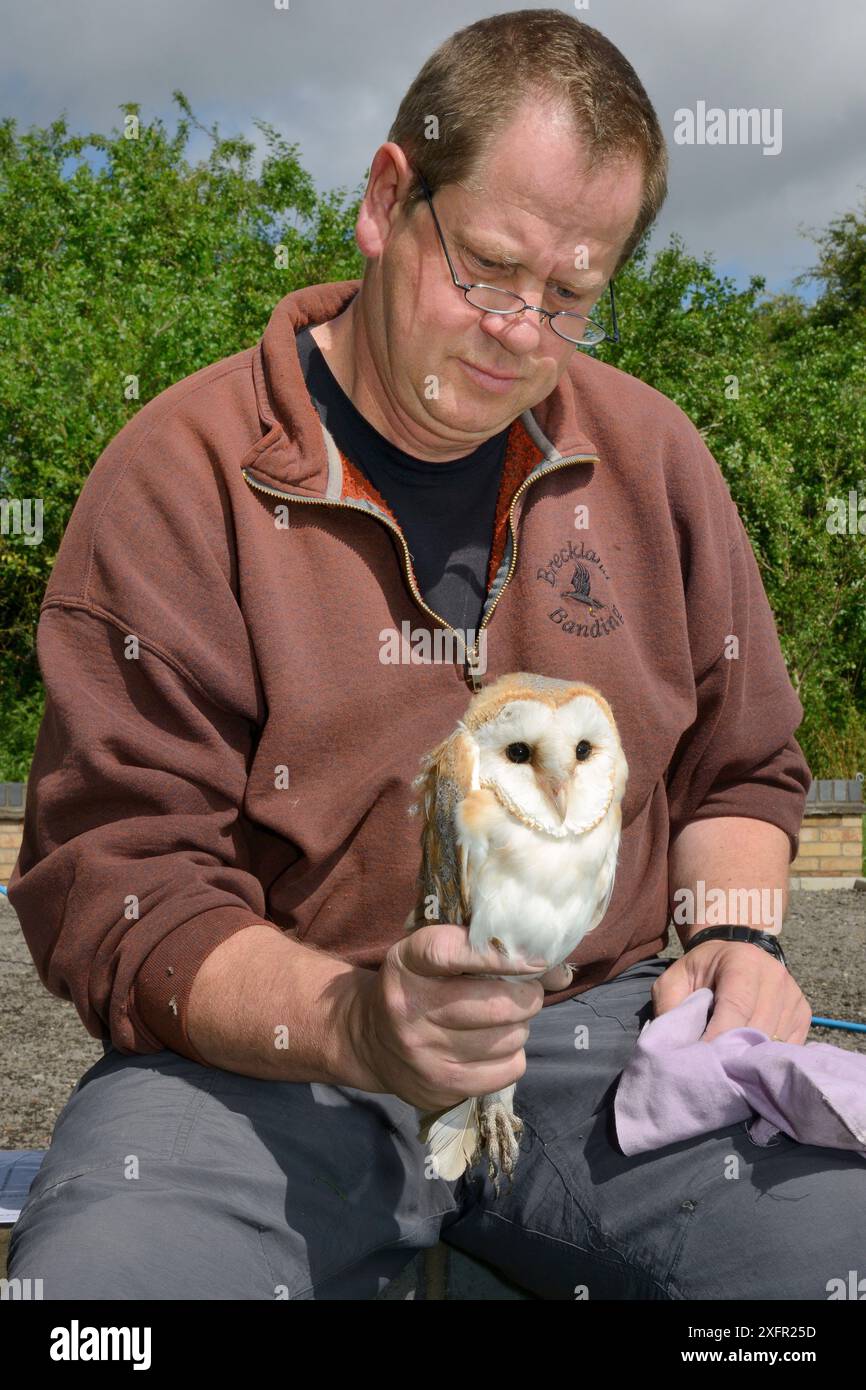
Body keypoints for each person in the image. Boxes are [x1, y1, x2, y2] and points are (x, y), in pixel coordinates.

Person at [8, 10, 863, 1301]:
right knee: (100, 1318)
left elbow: (740, 770)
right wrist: (358, 1021)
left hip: (597, 1038)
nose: (521, 328)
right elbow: (122, 892)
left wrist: (735, 937)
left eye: (570, 295)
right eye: (486, 268)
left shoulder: (654, 459)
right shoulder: (176, 481)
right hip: (261, 1059)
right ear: (385, 198)